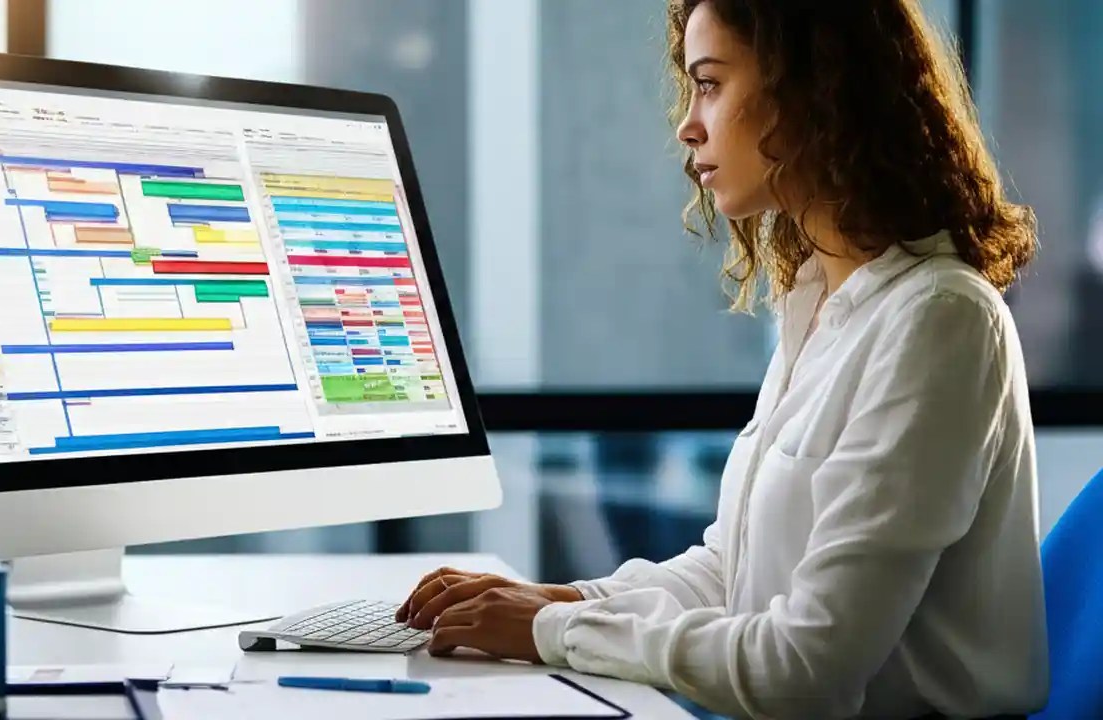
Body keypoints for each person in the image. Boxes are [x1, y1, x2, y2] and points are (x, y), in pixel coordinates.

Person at [395, 1, 1048, 718]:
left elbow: (804, 670)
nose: (688, 124)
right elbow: (732, 575)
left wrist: (553, 631)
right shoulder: (822, 306)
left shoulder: (939, 320)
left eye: (710, 83)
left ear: (811, 87)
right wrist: (562, 600)